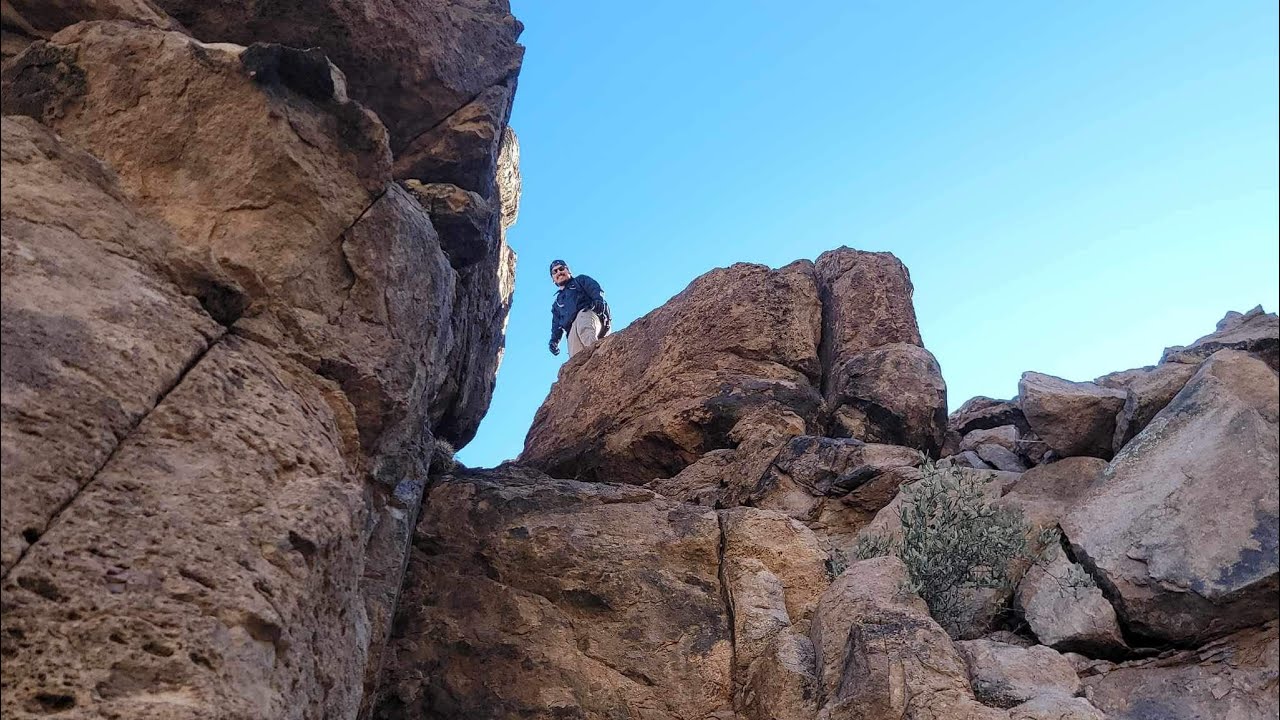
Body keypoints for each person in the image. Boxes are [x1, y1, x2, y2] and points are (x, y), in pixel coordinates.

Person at [548, 259, 610, 358]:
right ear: (553, 279)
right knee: (576, 355)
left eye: (561, 269)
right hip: (571, 328)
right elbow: (556, 325)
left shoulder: (580, 281)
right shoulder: (557, 304)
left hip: (587, 313)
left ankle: (598, 356)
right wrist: (554, 341)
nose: (559, 272)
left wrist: (598, 300)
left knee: (584, 328)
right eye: (555, 271)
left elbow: (594, 288)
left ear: (568, 271)